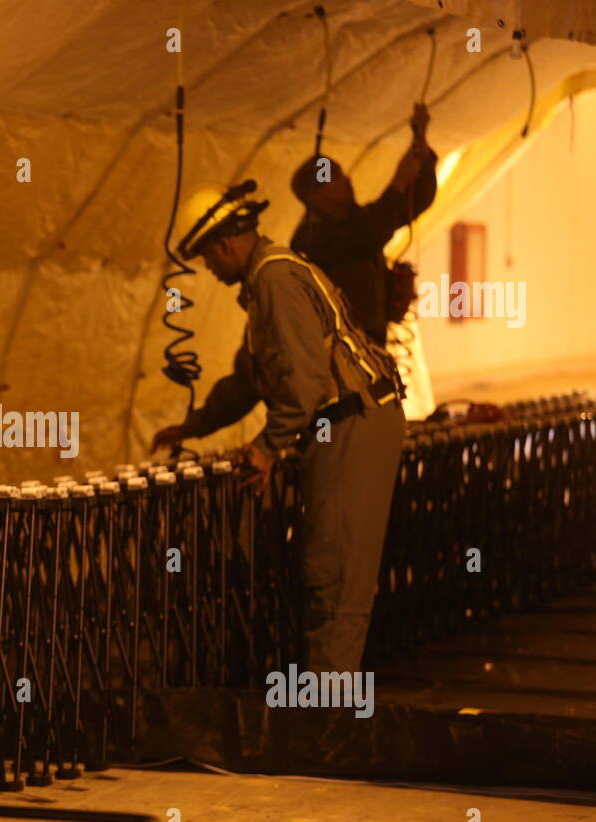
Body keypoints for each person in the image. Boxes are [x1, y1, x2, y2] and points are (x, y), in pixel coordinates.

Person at [152, 180, 405, 674]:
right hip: (341, 425)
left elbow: (307, 384)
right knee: (323, 566)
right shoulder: (267, 280)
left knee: (333, 574)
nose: (207, 267)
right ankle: (323, 702)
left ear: (224, 245)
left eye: (206, 257)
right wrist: (194, 425)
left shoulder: (274, 281)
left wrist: (267, 447)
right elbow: (254, 378)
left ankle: (327, 722)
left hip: (353, 424)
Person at [289, 103, 437, 345]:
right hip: (335, 350)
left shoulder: (357, 220)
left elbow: (417, 199)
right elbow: (365, 237)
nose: (346, 179)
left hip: (370, 343)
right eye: (333, 178)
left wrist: (421, 145)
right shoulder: (310, 238)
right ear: (315, 196)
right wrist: (398, 182)